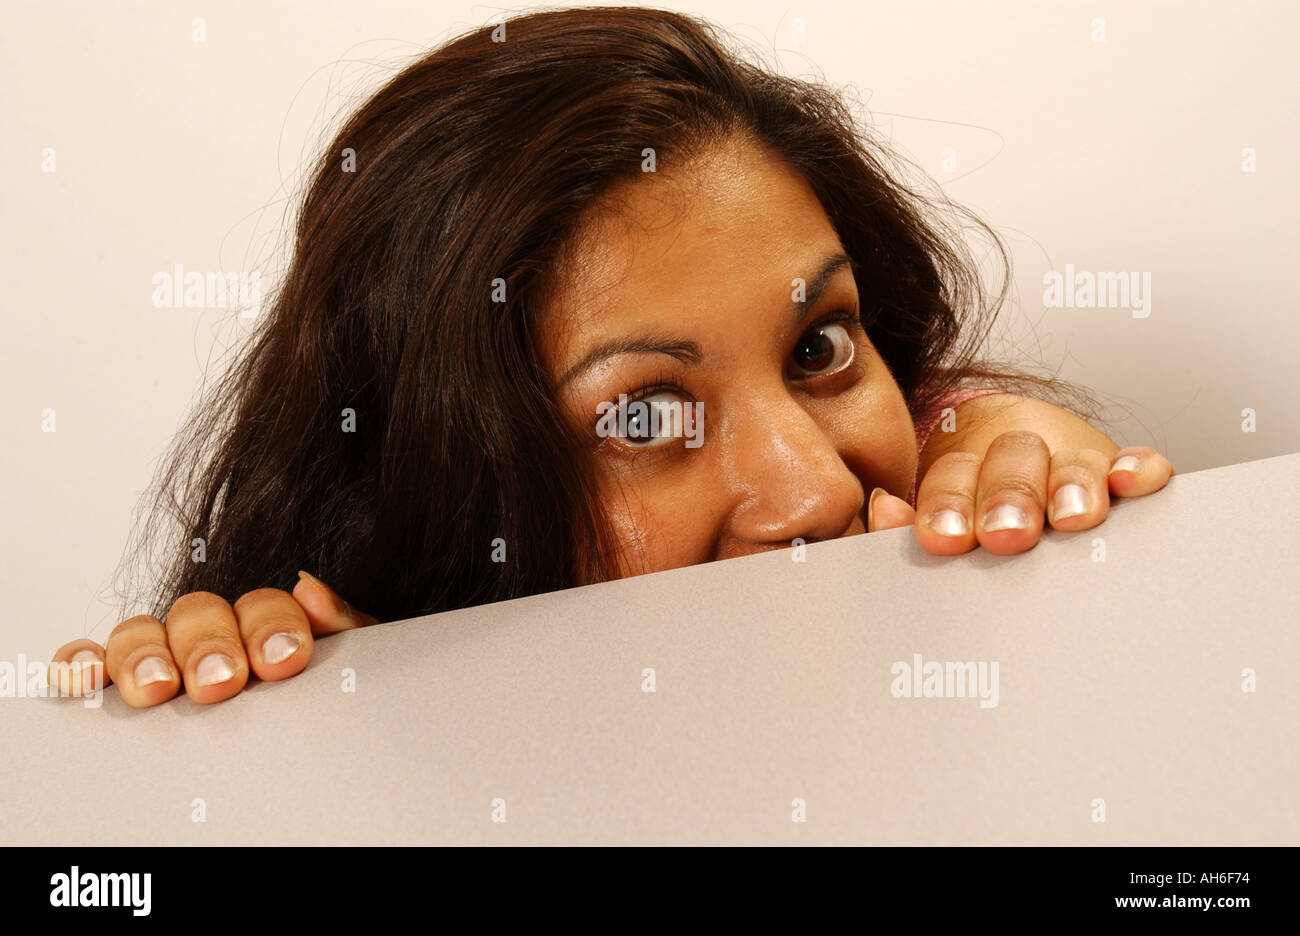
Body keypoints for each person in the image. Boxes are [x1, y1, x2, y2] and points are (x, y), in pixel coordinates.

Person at [48, 7, 1173, 707]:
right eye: (643, 415)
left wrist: (993, 460)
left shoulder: (946, 516)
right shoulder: (340, 672)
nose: (817, 490)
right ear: (446, 501)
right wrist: (344, 740)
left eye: (819, 347)